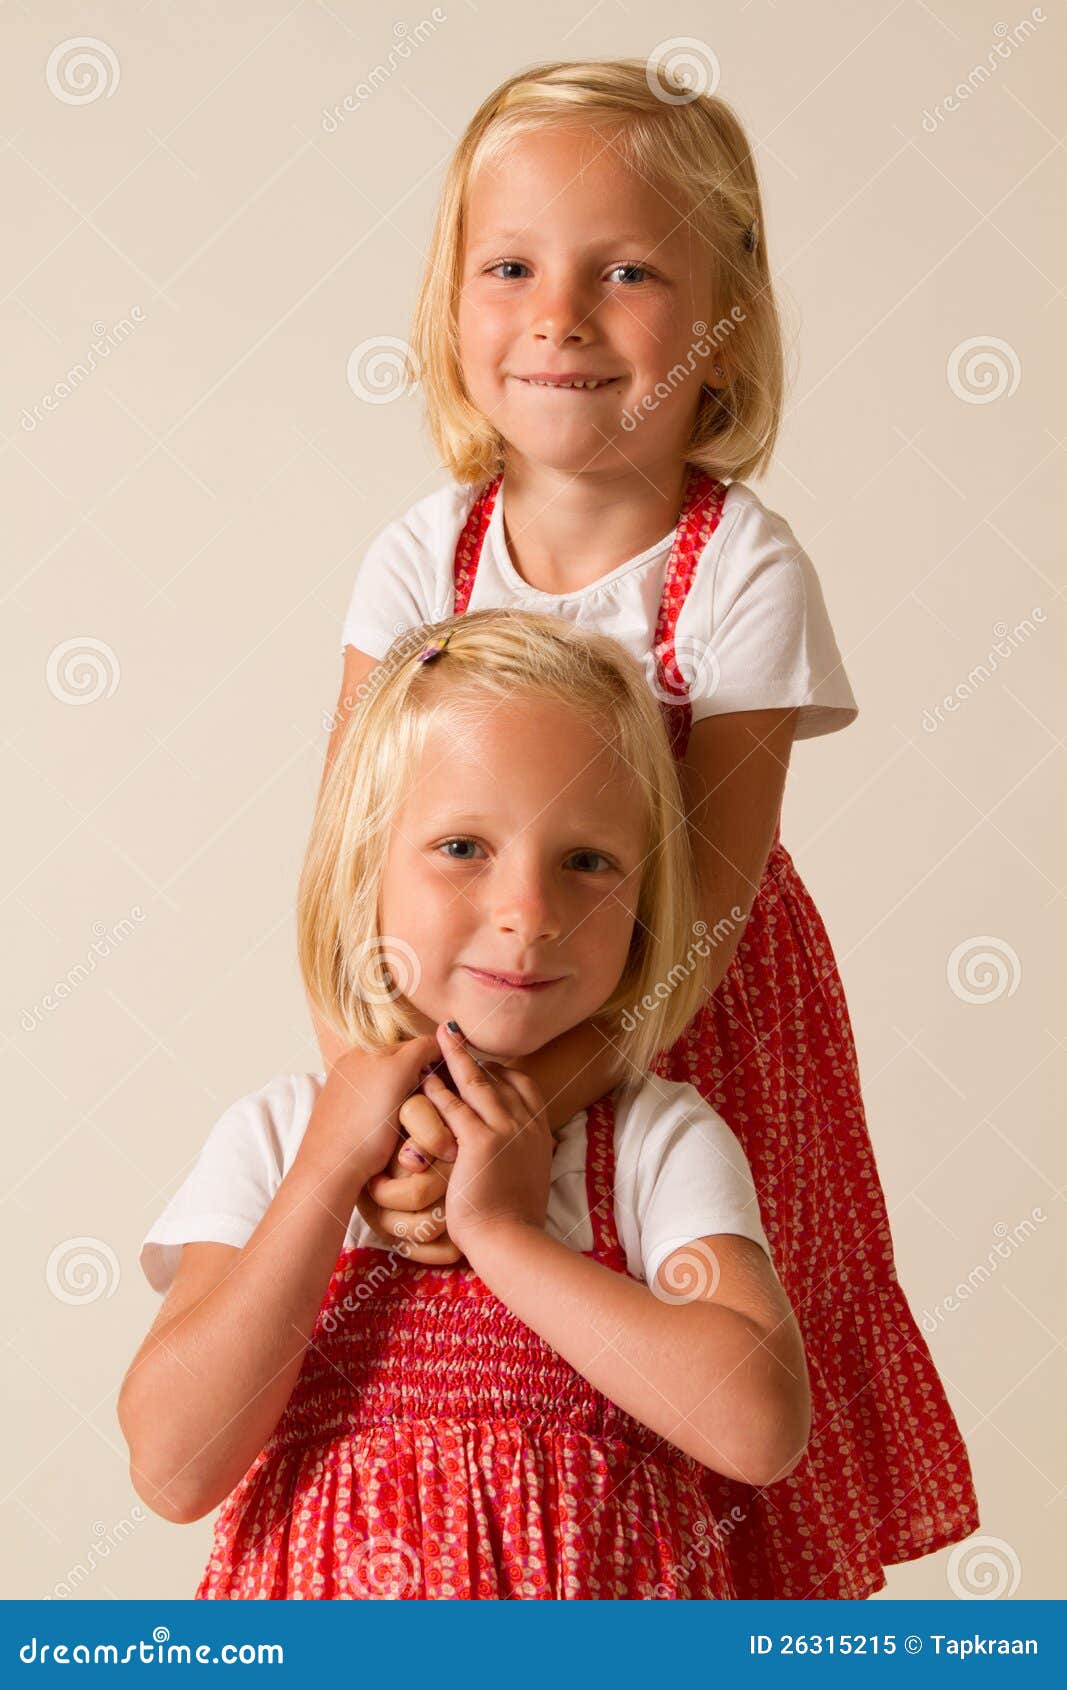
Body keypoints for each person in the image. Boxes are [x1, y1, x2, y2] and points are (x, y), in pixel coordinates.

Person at [316, 59, 980, 1598]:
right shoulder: (423, 555)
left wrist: (539, 1108)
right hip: (454, 1039)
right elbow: (351, 870)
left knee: (686, 1398)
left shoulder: (736, 567)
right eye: (511, 267)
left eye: (625, 272)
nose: (557, 314)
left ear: (719, 322)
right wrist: (399, 1120)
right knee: (481, 1372)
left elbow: (703, 914)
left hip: (677, 1029)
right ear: (453, 298)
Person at [121, 609, 809, 1599]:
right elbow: (173, 1465)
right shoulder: (276, 1138)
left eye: (587, 860)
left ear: (645, 899)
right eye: (460, 845)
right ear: (364, 868)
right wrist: (325, 1172)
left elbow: (757, 1425)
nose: (527, 911)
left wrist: (503, 1233)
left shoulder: (658, 1142)